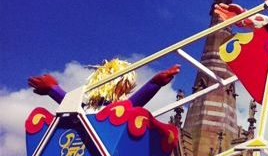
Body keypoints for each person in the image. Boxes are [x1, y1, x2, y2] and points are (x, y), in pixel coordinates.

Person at [28, 60, 180, 110]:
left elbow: (134, 102)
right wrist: (52, 89)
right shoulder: (87, 108)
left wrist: (155, 83)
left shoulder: (117, 109)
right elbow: (73, 107)